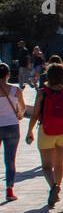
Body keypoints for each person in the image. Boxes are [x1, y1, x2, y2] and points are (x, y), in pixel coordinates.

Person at [26, 62, 63, 207]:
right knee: (59, 164)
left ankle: (53, 187)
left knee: (46, 166)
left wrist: (29, 131)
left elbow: (34, 115)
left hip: (46, 132)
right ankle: (57, 187)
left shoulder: (42, 93)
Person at [0, 63, 26, 202]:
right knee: (10, 159)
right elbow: (22, 108)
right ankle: (9, 190)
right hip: (11, 126)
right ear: (8, 74)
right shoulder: (15, 90)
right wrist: (19, 114)